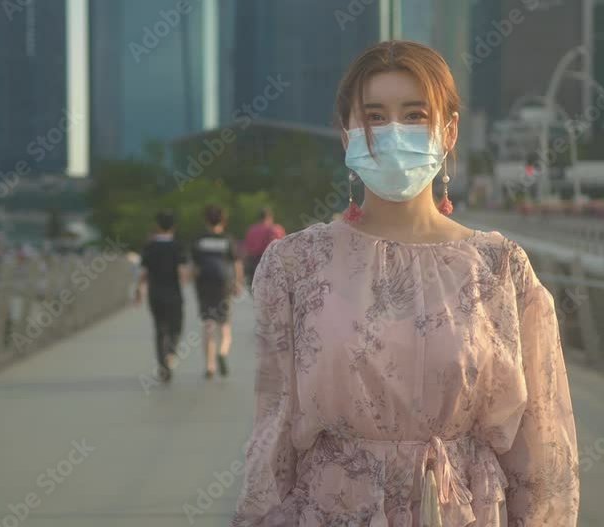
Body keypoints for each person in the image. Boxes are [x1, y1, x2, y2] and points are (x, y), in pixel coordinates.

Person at [233, 41, 579, 526]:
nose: (393, 132)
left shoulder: (500, 268)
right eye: (374, 116)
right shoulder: (294, 265)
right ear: (346, 133)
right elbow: (274, 427)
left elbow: (541, 446)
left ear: (449, 131)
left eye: (415, 114)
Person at [135, 211, 189, 383]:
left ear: (157, 226)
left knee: (159, 329)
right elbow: (182, 272)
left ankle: (161, 363)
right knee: (176, 328)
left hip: (155, 293)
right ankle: (170, 354)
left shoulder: (149, 247)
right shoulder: (178, 246)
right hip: (173, 294)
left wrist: (138, 290)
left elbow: (143, 273)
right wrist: (184, 281)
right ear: (174, 227)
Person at [191, 205, 243, 378]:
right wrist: (237, 282)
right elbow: (236, 262)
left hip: (205, 285)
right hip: (224, 285)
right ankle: (222, 352)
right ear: (223, 220)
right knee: (224, 326)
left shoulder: (199, 239)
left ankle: (210, 365)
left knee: (208, 324)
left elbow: (194, 266)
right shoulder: (227, 239)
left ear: (205, 219)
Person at [243, 207, 286, 294]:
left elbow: (247, 249)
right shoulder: (277, 229)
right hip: (272, 264)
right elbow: (284, 249)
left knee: (257, 293)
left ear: (259, 217)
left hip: (255, 263)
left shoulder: (252, 230)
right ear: (270, 217)